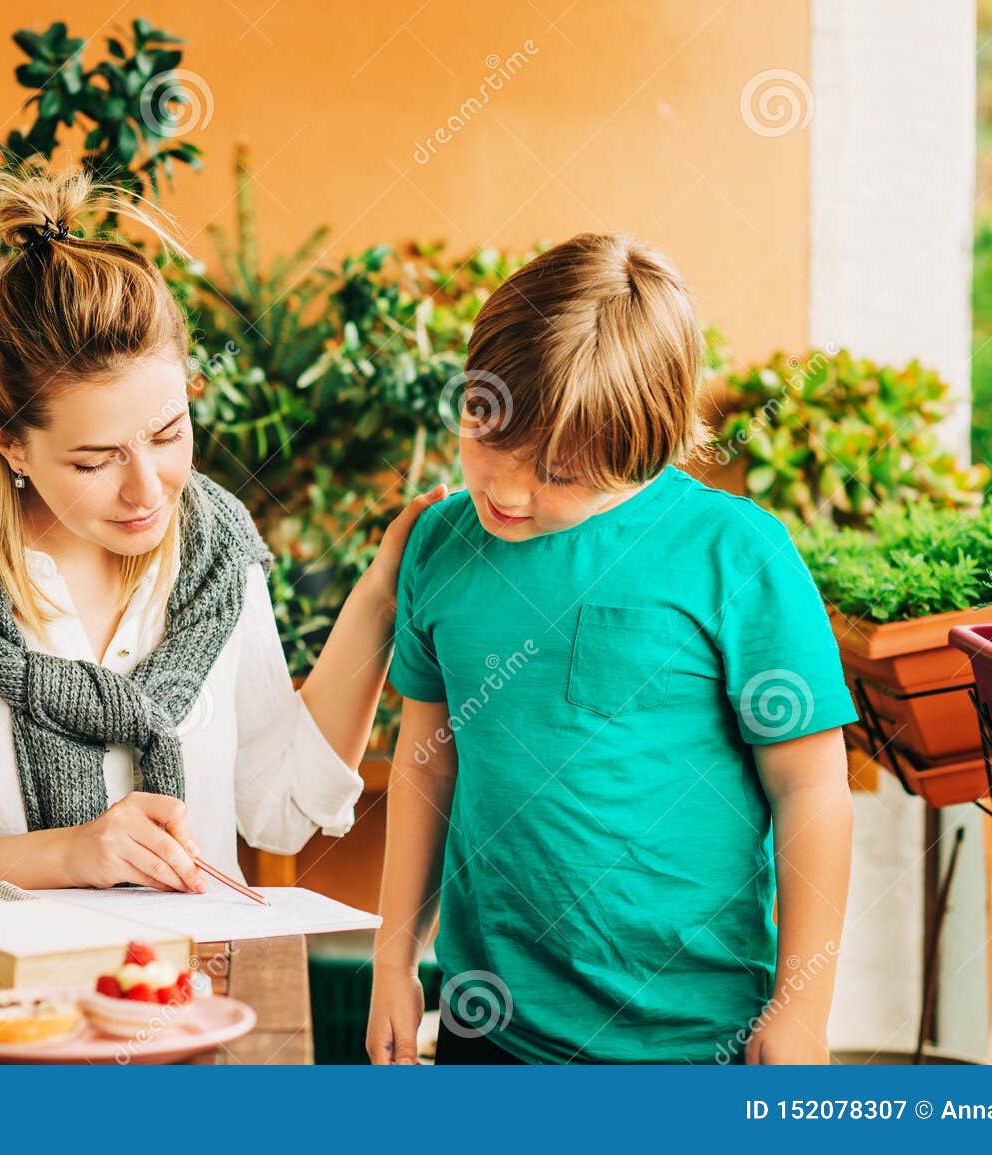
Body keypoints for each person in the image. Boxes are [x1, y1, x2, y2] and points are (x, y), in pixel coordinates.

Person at [0, 163, 444, 903]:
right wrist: (66, 854)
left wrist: (384, 595)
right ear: (7, 441)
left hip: (193, 1006)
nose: (148, 489)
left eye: (168, 434)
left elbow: (279, 810)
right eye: (95, 460)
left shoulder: (216, 550)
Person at [366, 233, 856, 1065]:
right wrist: (393, 954)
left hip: (695, 1041)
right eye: (489, 443)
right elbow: (428, 756)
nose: (510, 492)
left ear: (644, 453)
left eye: (558, 474)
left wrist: (802, 1005)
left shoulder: (736, 555)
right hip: (492, 1031)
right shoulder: (440, 547)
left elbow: (811, 785)